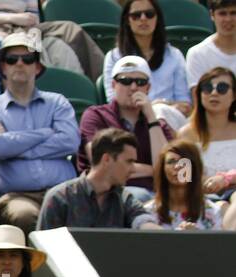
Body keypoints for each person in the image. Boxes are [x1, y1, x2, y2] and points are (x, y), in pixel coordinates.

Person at [0, 32, 78, 233]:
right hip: (17, 197)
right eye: (12, 59)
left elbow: (70, 141)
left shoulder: (58, 102)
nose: (20, 64)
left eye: (28, 59)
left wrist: (15, 147)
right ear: (3, 67)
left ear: (37, 66)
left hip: (64, 192)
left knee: (85, 214)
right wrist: (45, 133)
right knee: (26, 216)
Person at [78, 55, 173, 196]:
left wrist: (152, 118)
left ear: (148, 88)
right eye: (125, 81)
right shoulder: (95, 115)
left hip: (155, 196)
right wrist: (152, 170)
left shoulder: (158, 125)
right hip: (105, 193)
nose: (134, 87)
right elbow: (101, 162)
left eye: (140, 82)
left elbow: (167, 168)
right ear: (113, 85)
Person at [37, 128, 155, 230]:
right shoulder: (60, 198)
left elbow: (142, 220)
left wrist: (157, 231)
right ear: (107, 159)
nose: (133, 170)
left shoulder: (124, 198)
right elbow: (44, 247)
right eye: (129, 162)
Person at [102, 0, 190, 134]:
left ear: (157, 18)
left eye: (149, 14)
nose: (143, 19)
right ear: (127, 20)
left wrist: (161, 106)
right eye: (136, 15)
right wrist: (148, 108)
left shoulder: (174, 55)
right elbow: (113, 101)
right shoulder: (114, 57)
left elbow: (185, 105)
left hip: (170, 119)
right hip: (129, 119)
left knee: (160, 111)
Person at [179, 67, 236, 198]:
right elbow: (183, 177)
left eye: (222, 88)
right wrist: (205, 183)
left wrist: (226, 179)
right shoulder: (185, 135)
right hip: (201, 200)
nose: (214, 93)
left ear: (234, 95)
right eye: (207, 88)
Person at [146, 139, 226, 229]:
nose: (177, 167)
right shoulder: (148, 213)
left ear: (195, 167)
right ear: (162, 169)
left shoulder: (212, 212)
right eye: (171, 161)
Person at [186, 0, 236, 90]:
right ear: (212, 15)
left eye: (233, 13)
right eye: (222, 13)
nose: (228, 19)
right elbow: (197, 98)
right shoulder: (197, 54)